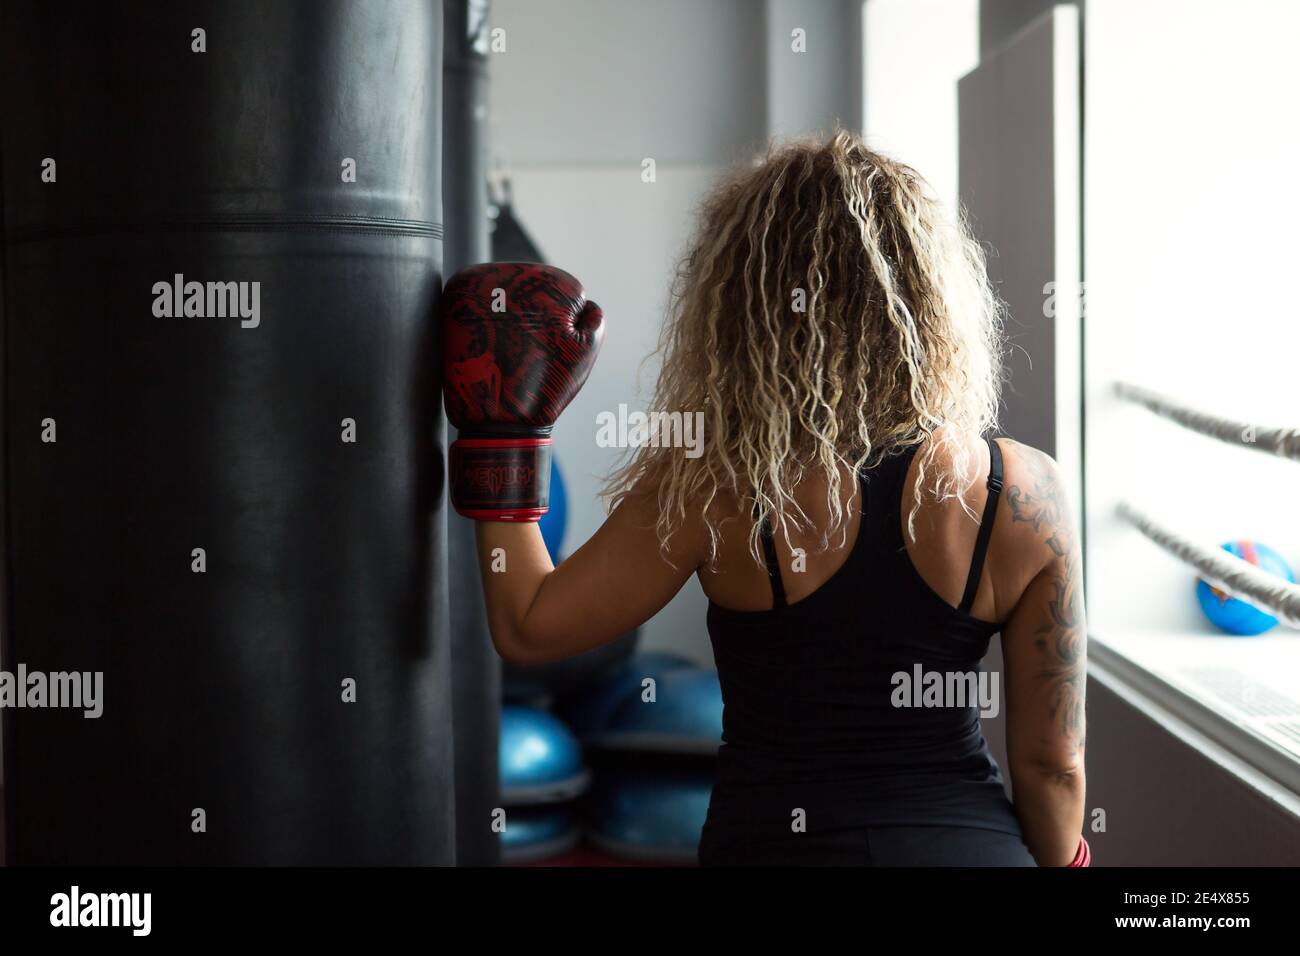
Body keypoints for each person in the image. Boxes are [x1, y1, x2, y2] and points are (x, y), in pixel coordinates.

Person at [442, 130, 1088, 867]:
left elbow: (529, 625)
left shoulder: (719, 483)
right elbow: (1052, 766)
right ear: (935, 296)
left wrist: (505, 432)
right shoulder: (1029, 490)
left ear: (739, 301)